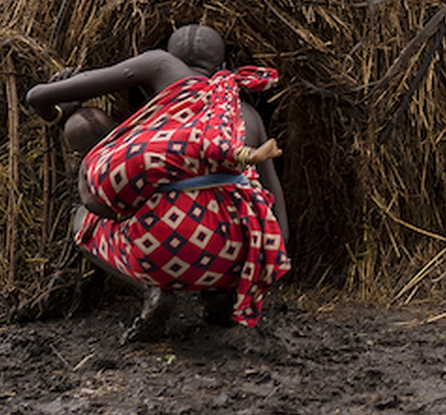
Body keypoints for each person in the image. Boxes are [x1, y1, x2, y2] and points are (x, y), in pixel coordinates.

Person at [26, 24, 291, 343]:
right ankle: (222, 292)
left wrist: (59, 113)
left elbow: (38, 96)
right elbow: (279, 219)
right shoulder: (248, 115)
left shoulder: (161, 66)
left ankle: (152, 289)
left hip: (162, 250)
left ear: (167, 58)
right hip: (236, 257)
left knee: (84, 219)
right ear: (222, 68)